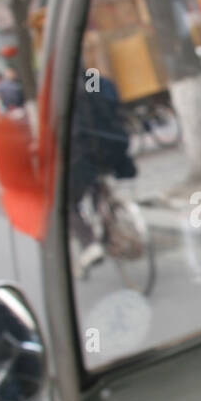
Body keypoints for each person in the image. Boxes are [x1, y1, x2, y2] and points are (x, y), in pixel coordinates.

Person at [69, 70, 136, 271]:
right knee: (96, 182)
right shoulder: (93, 80)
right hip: (113, 146)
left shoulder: (62, 91)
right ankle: (106, 214)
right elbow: (111, 104)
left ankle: (90, 244)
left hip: (84, 154)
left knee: (67, 202)